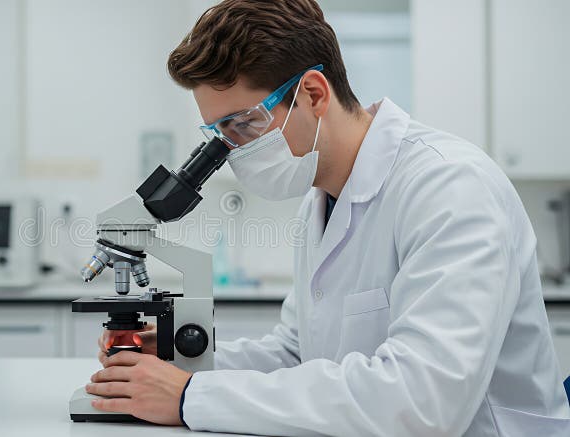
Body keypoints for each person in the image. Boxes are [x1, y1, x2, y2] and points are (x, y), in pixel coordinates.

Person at [84, 0, 570, 435]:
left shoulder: (450, 187)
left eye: (243, 123)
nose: (232, 149)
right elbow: (299, 356)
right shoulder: (319, 201)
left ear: (314, 94)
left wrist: (191, 398)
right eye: (219, 132)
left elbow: (423, 402)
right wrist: (183, 362)